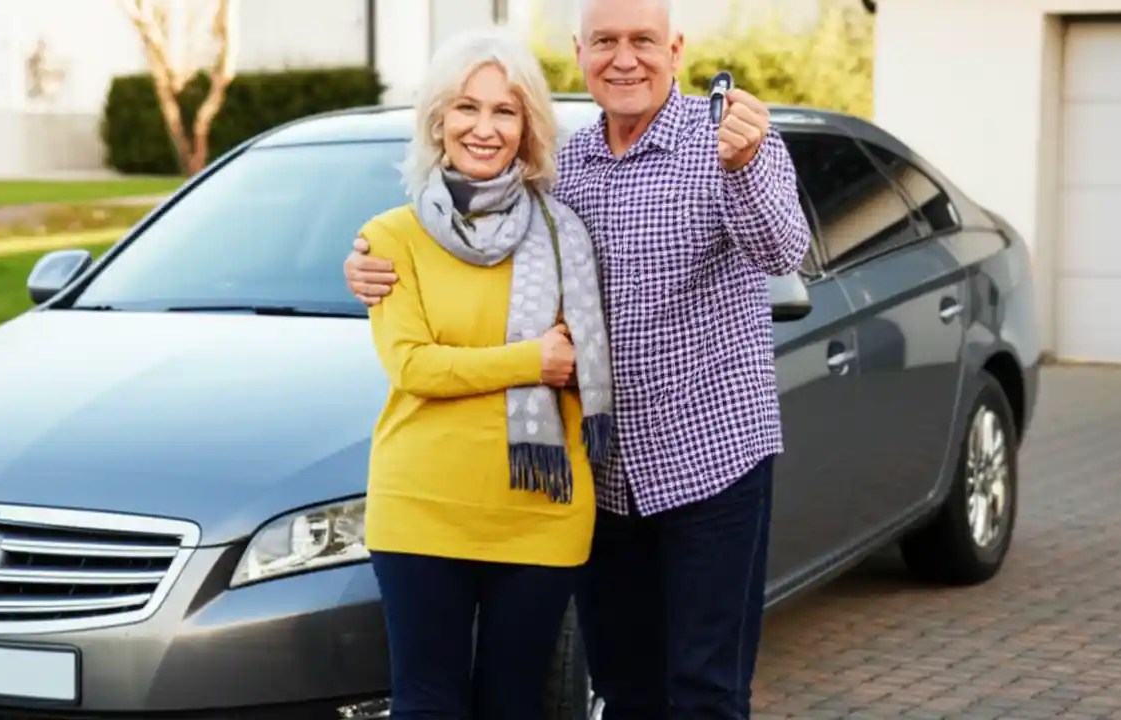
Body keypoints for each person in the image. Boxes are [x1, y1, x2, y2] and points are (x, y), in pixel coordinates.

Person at [345, 0, 812, 716]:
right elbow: (472, 239)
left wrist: (746, 166)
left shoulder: (727, 142)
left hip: (710, 463)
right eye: (605, 42)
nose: (624, 58)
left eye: (643, 41)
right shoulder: (566, 173)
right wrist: (362, 266)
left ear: (676, 48)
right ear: (580, 52)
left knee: (705, 690)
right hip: (604, 473)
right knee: (624, 688)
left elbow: (783, 251)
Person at [355, 26, 613, 720]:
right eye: (467, 108)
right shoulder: (389, 239)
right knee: (428, 702)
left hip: (539, 512)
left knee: (514, 703)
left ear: (528, 126)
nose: (484, 127)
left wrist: (564, 362)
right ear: (438, 120)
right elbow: (413, 367)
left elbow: (592, 363)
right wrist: (535, 358)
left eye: (505, 110)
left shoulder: (567, 236)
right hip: (422, 509)